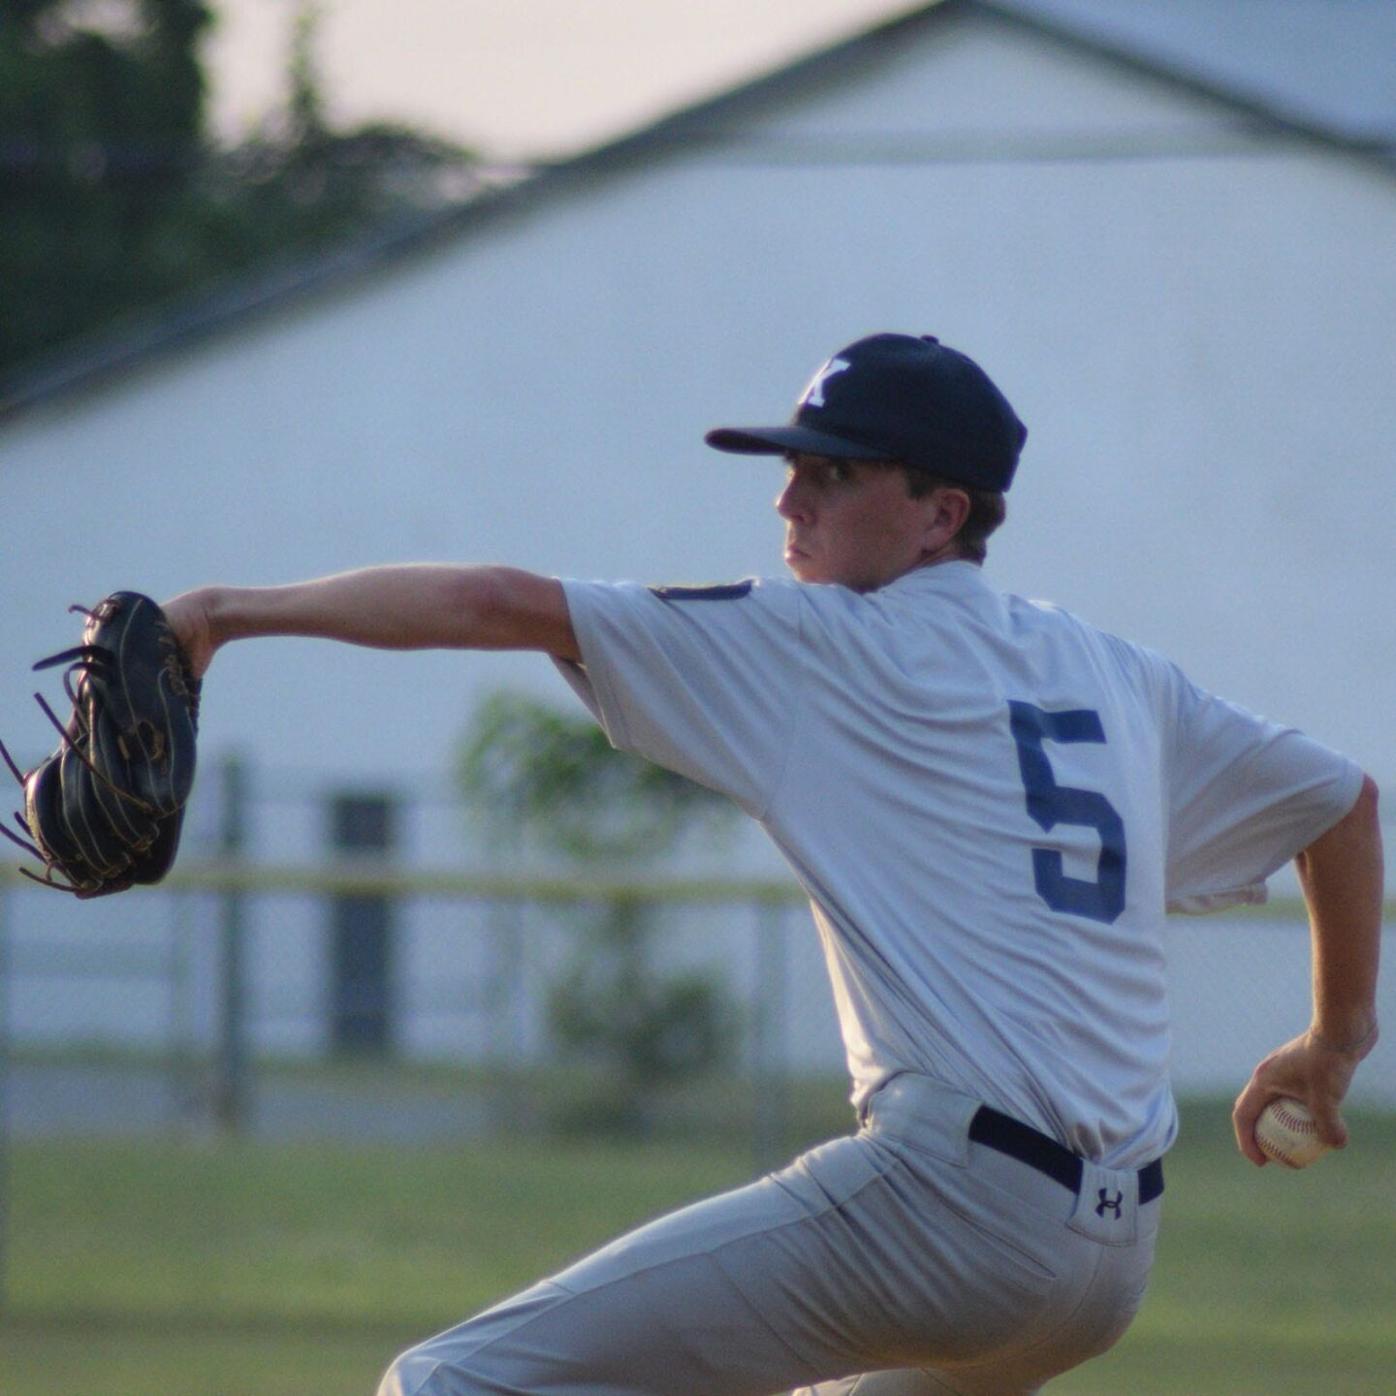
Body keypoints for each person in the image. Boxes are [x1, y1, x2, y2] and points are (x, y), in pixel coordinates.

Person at [162, 332, 1382, 1395]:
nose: (789, 501)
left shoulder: (829, 648)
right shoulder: (1110, 671)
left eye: (831, 473)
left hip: (946, 1212)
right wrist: (1333, 1043)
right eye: (791, 468)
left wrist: (222, 614)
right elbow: (1342, 803)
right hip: (1110, 1260)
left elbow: (494, 600)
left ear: (939, 511)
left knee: (447, 1382)